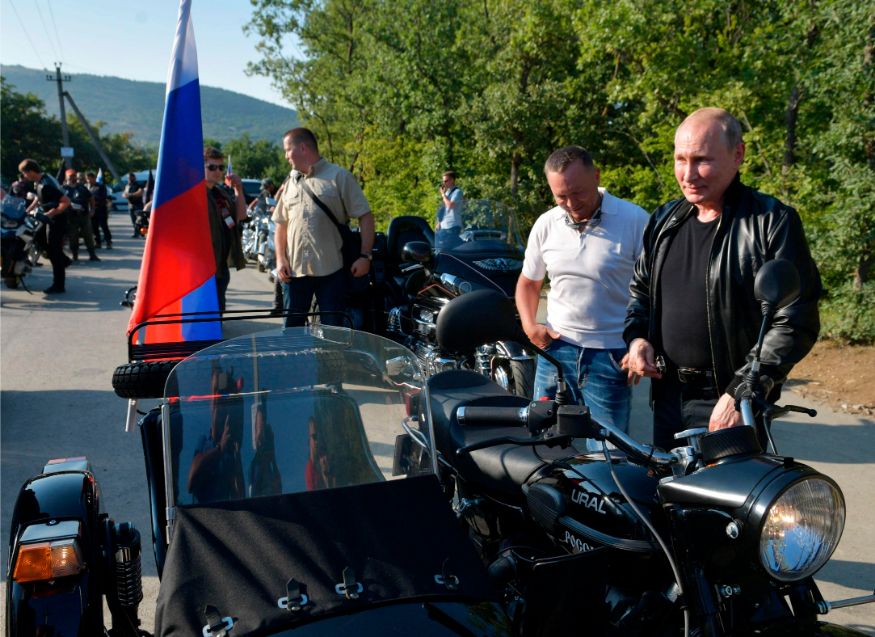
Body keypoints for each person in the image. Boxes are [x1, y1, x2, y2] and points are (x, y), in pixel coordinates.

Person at [623, 108, 821, 450]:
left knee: (727, 502)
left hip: (730, 400)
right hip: (669, 396)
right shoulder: (664, 221)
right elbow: (641, 294)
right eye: (680, 159)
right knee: (671, 499)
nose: (688, 174)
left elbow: (795, 321)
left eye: (702, 160)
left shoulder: (772, 221)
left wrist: (742, 391)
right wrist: (638, 339)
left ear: (738, 154)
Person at [516, 146, 648, 438]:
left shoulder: (635, 220)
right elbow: (528, 282)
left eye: (578, 193)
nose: (571, 203)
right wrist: (529, 326)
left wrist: (642, 341)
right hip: (555, 351)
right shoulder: (546, 224)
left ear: (597, 177)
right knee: (544, 442)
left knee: (608, 452)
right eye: (561, 196)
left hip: (611, 355)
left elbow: (657, 290)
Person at [272, 127, 375, 327]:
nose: (285, 156)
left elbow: (366, 216)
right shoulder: (291, 181)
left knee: (332, 331)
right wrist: (280, 258)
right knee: (291, 331)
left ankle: (329, 360)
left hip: (332, 272)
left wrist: (365, 256)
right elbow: (281, 224)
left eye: (287, 150)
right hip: (294, 272)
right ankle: (294, 360)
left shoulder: (339, 176)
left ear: (302, 148)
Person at [18, 158, 71, 294]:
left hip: (56, 221)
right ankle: (64, 260)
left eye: (24, 173)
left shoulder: (47, 183)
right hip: (46, 219)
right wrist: (27, 210)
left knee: (54, 253)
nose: (24, 176)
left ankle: (59, 285)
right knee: (38, 239)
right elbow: (38, 198)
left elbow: (65, 201)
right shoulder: (39, 181)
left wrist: (54, 212)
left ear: (30, 171)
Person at [204, 147, 247, 312]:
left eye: (220, 168)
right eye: (212, 167)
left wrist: (238, 189)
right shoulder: (193, 194)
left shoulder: (220, 193)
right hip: (202, 265)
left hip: (220, 264)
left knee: (218, 308)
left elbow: (240, 216)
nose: (218, 171)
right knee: (205, 312)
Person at [62, 169, 100, 263]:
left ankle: (92, 254)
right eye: (70, 176)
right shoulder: (63, 189)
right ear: (66, 177)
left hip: (84, 215)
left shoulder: (82, 187)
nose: (72, 177)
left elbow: (91, 198)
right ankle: (75, 255)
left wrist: (92, 210)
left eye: (74, 176)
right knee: (73, 237)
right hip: (71, 216)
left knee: (88, 235)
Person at [435, 170, 463, 246]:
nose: (444, 183)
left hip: (452, 225)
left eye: (446, 181)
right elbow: (444, 209)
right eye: (443, 181)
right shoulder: (447, 192)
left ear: (452, 180)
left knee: (446, 247)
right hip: (444, 226)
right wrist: (439, 223)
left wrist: (443, 195)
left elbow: (450, 205)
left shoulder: (457, 192)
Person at [86, 171, 112, 249]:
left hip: (101, 210)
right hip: (92, 210)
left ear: (94, 178)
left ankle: (108, 242)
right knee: (94, 227)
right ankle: (98, 242)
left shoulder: (100, 187)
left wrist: (93, 200)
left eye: (90, 179)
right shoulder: (87, 187)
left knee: (104, 226)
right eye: (87, 179)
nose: (89, 181)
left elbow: (103, 197)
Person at [122, 172, 144, 238]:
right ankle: (136, 233)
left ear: (134, 177)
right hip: (131, 205)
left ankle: (143, 233)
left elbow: (140, 192)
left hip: (138, 205)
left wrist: (131, 195)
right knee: (133, 221)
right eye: (128, 177)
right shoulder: (127, 185)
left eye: (130, 177)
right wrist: (125, 195)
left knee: (140, 220)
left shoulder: (138, 184)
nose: (129, 179)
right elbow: (124, 194)